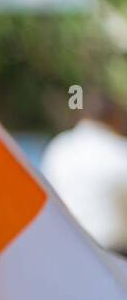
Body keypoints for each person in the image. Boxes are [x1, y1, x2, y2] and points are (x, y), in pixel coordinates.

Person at [41, 91, 127, 257]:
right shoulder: (118, 151)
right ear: (114, 117)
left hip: (66, 253)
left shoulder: (59, 148)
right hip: (116, 257)